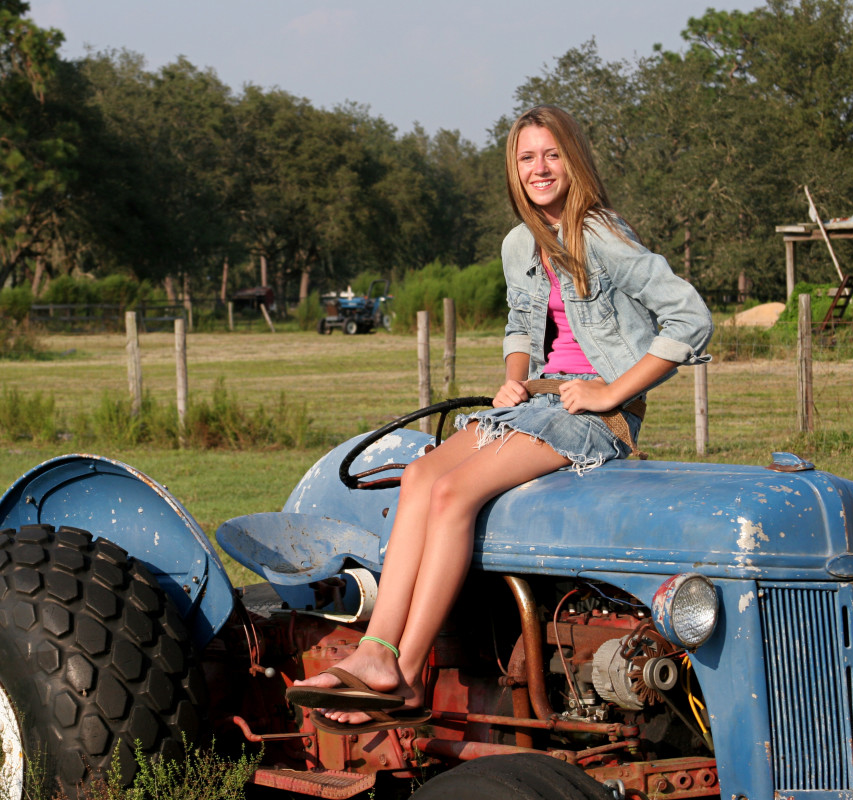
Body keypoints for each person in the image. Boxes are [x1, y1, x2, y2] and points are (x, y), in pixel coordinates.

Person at [285, 105, 713, 734]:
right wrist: (515, 375)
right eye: (525, 158)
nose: (539, 168)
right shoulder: (521, 243)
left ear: (574, 160)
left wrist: (610, 392)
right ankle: (375, 650)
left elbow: (691, 319)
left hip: (593, 419)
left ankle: (403, 667)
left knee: (455, 493)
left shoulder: (600, 235)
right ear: (513, 170)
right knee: (420, 477)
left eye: (551, 155)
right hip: (539, 402)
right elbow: (522, 324)